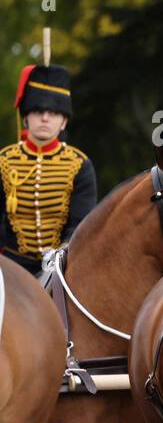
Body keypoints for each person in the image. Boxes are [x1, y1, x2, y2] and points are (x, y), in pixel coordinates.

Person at [1, 62, 96, 274]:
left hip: (61, 267)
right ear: (26, 117)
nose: (45, 118)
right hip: (9, 266)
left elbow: (82, 224)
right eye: (38, 111)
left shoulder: (80, 165)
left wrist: (61, 255)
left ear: (63, 122)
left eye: (53, 113)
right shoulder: (4, 160)